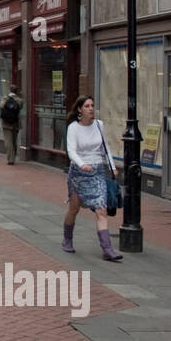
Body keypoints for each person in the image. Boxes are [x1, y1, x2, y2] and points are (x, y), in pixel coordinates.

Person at [62, 95, 123, 260]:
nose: (91, 109)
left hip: (97, 171)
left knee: (101, 210)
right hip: (79, 173)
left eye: (92, 105)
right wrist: (82, 164)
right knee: (74, 209)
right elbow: (71, 150)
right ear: (80, 109)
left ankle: (107, 250)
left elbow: (105, 148)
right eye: (87, 106)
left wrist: (111, 166)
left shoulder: (99, 125)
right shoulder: (73, 127)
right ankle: (67, 239)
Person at [0, 84, 22, 165]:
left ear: (9, 90)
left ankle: (10, 159)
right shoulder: (19, 100)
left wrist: (6, 98)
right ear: (16, 91)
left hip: (6, 123)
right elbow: (20, 108)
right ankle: (14, 156)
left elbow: (1, 106)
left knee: (8, 142)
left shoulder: (5, 98)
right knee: (14, 141)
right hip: (15, 123)